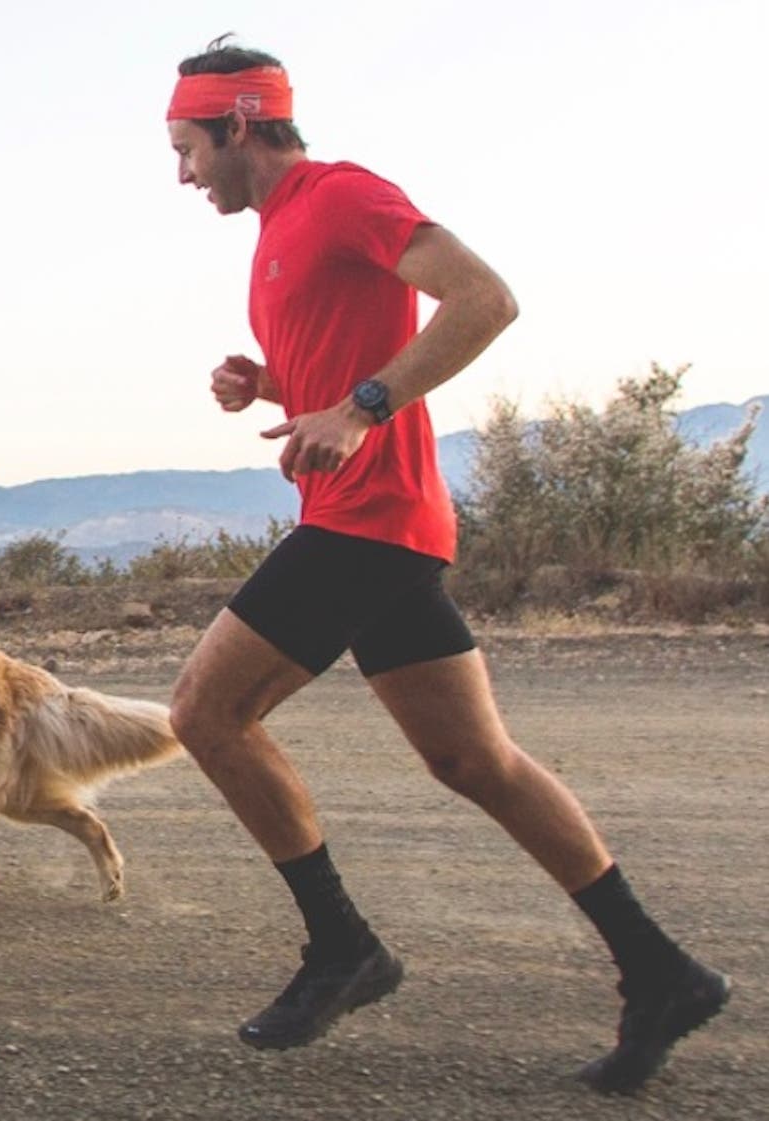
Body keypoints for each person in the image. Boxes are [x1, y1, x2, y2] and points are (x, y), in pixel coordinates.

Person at [162, 38, 729, 1094]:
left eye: (188, 149)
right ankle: (663, 971)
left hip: (368, 520)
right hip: (383, 524)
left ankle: (343, 947)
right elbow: (346, 353)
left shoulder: (343, 195)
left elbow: (484, 299)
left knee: (205, 711)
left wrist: (362, 407)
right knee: (475, 761)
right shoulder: (280, 231)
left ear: (239, 124)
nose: (183, 175)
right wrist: (273, 381)